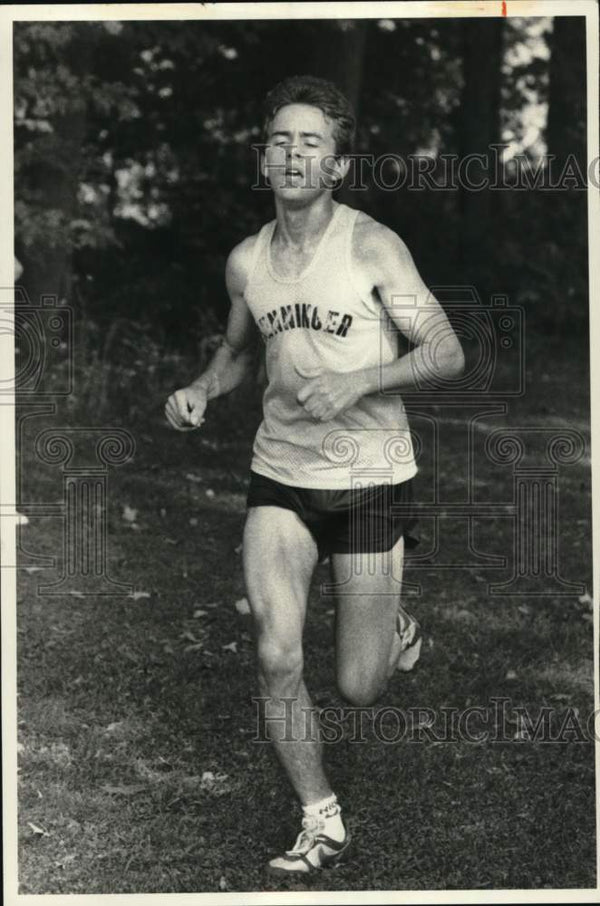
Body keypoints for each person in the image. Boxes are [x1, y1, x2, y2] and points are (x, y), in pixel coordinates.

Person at [165, 75, 464, 876]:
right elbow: (235, 353)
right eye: (281, 140)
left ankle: (393, 633)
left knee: (359, 686)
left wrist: (360, 381)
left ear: (336, 166)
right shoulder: (247, 262)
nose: (294, 154)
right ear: (262, 157)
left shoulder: (371, 246)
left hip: (370, 478)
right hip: (281, 474)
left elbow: (447, 350)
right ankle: (321, 818)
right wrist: (200, 388)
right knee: (275, 654)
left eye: (312, 143)